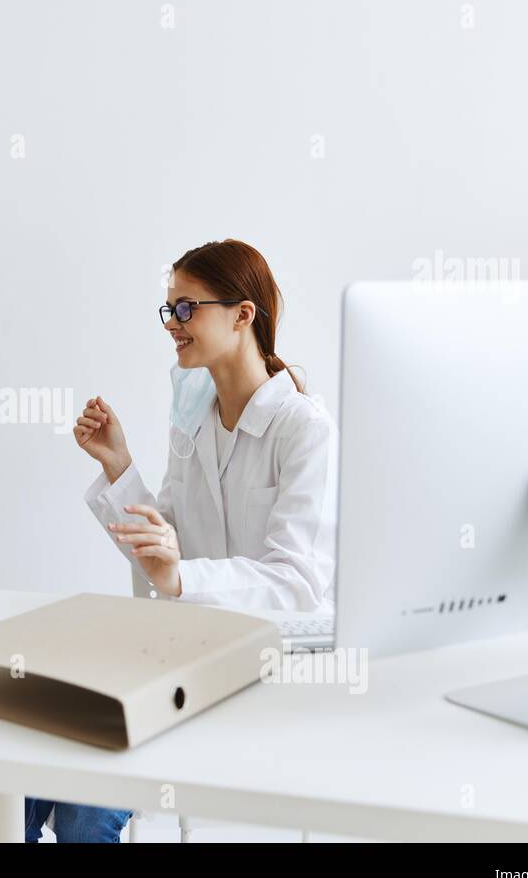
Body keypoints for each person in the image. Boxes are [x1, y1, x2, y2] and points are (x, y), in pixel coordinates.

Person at [52, 239, 338, 841]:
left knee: (85, 801)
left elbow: (298, 586)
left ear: (242, 316)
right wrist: (119, 467)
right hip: (188, 649)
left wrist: (183, 577)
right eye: (169, 310)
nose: (172, 325)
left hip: (270, 667)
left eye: (187, 309)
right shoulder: (194, 415)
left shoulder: (303, 429)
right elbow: (166, 547)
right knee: (41, 738)